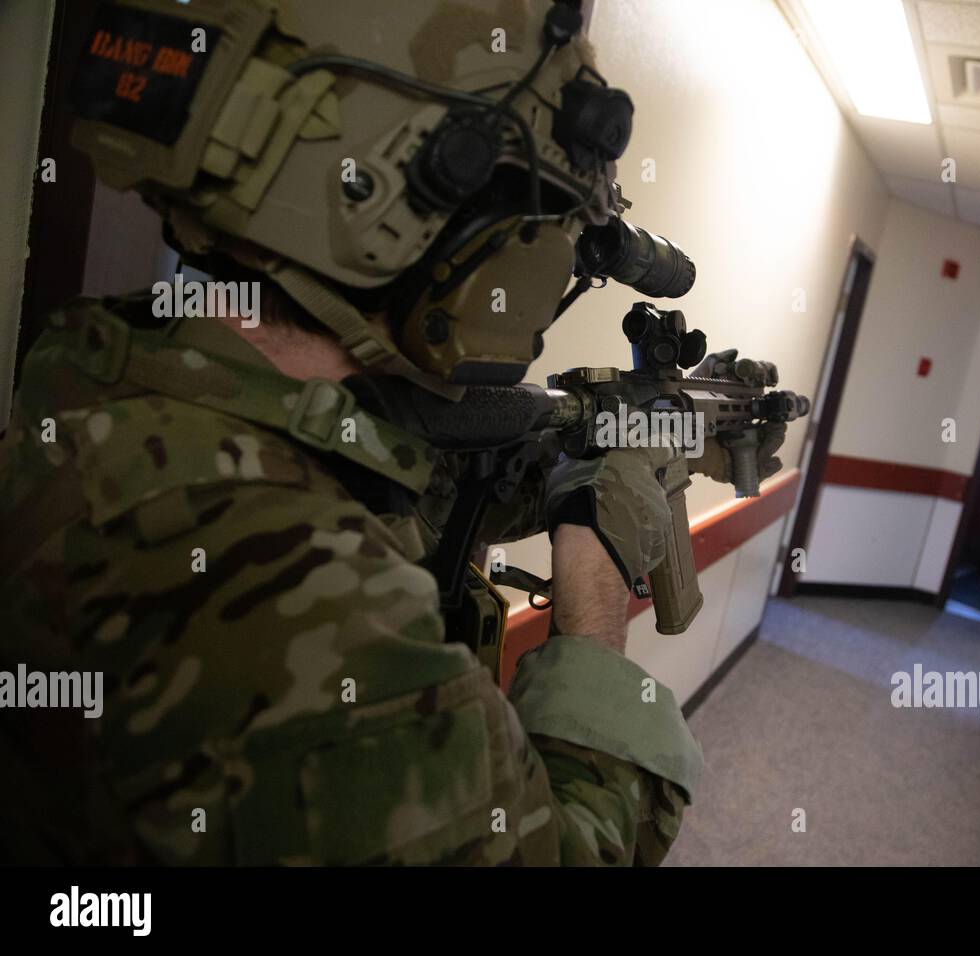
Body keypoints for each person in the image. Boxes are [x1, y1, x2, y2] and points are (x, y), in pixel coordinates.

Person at [0, 0, 784, 865]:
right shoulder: (302, 598)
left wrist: (594, 447)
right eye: (549, 217)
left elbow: (402, 472)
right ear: (390, 219)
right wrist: (594, 596)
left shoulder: (109, 369)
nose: (555, 257)